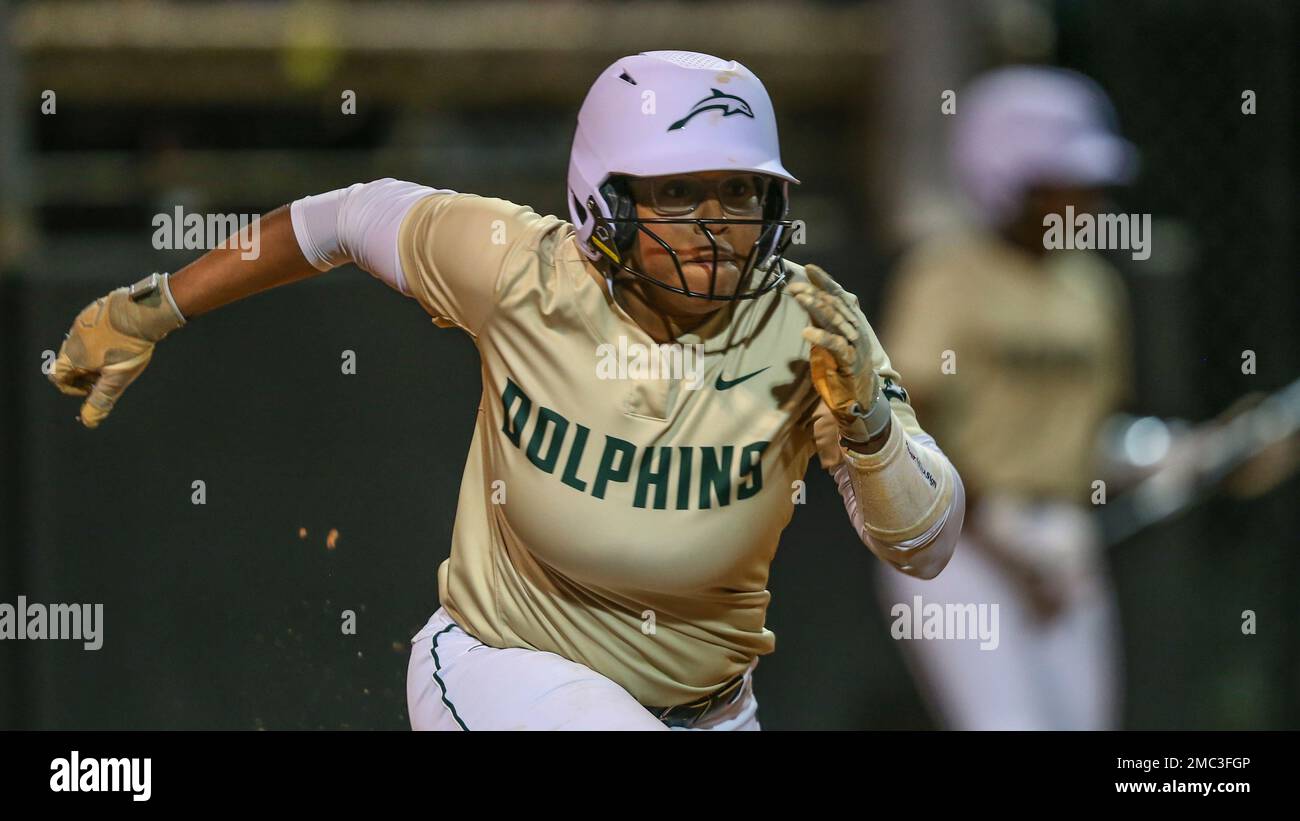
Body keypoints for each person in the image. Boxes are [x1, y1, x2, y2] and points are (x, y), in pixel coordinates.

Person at [48, 50, 965, 730]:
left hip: (713, 709)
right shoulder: (518, 268)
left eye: (739, 191)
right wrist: (153, 306)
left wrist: (871, 426)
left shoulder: (810, 326)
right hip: (508, 670)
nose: (714, 226)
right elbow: (339, 217)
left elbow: (925, 547)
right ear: (601, 200)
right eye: (678, 192)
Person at [876, 65, 1137, 730]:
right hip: (960, 541)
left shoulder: (1093, 288)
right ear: (1009, 180)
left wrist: (1177, 456)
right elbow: (906, 425)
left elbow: (1090, 437)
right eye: (1065, 185)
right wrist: (1001, 533)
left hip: (1063, 539)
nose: (1088, 204)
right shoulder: (947, 273)